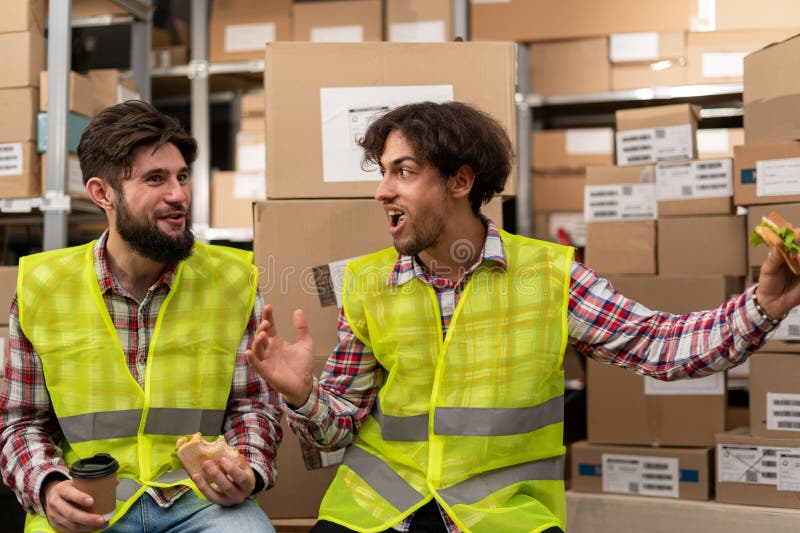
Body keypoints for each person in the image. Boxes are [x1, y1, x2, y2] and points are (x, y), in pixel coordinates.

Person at [246, 100, 800, 533]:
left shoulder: (548, 276)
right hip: (377, 514)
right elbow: (336, 427)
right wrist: (301, 394)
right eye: (383, 172)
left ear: (460, 182)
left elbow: (659, 345)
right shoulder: (367, 284)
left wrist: (761, 307)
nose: (381, 190)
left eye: (403, 171)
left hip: (502, 516)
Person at [0, 101, 282, 533]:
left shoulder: (233, 280)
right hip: (90, 503)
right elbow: (21, 423)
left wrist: (246, 467)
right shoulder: (43, 286)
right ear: (102, 193)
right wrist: (49, 487)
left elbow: (253, 406)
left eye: (182, 177)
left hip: (200, 499)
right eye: (156, 179)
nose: (179, 195)